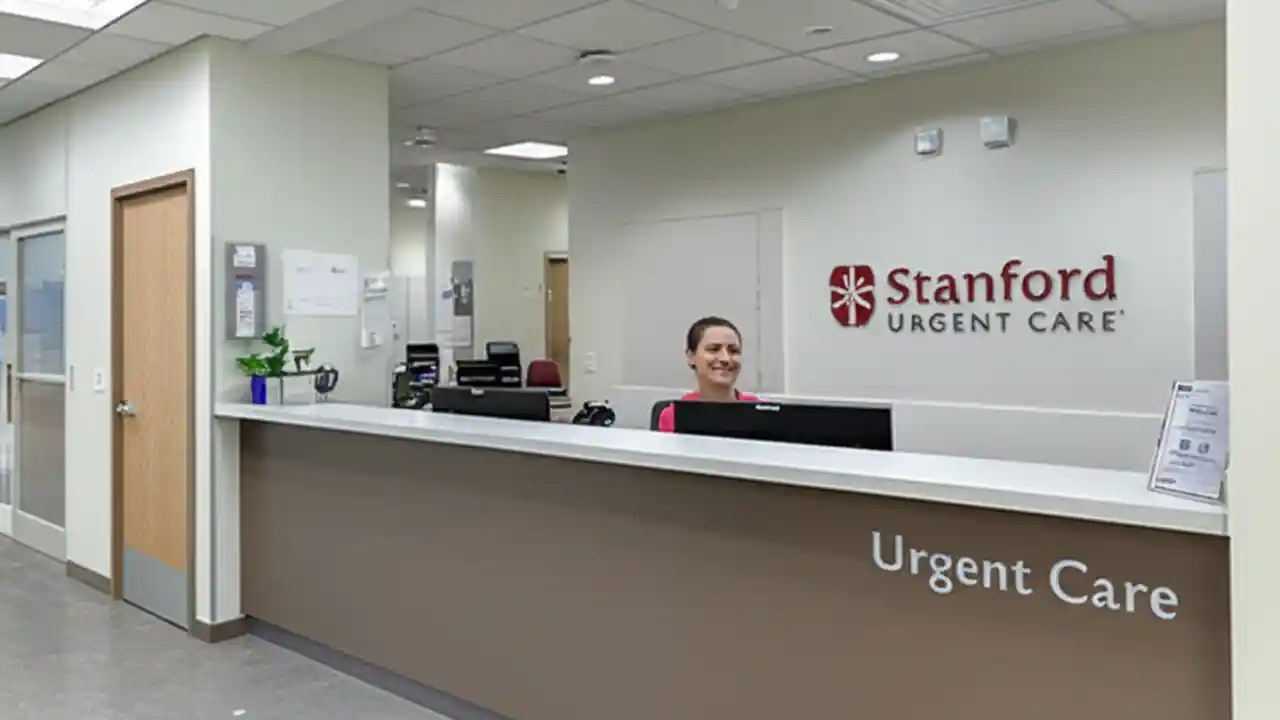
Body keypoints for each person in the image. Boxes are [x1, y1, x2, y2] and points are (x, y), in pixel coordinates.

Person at [657, 316, 760, 433]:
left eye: (734, 351)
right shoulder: (675, 415)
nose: (725, 359)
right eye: (713, 349)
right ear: (691, 357)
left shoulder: (759, 411)